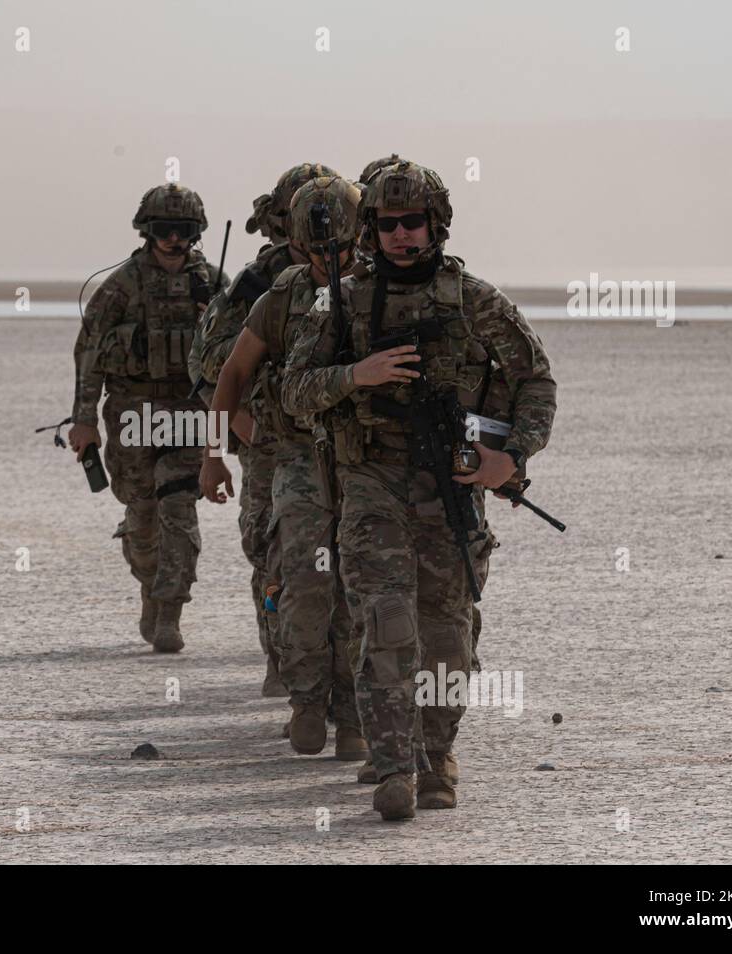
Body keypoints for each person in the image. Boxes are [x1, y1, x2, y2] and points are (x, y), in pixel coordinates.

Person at [281, 158, 557, 819]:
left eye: (414, 223)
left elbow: (536, 382)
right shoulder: (338, 301)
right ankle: (395, 766)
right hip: (371, 480)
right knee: (387, 623)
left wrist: (508, 457)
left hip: (450, 486)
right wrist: (357, 375)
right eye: (388, 224)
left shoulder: (474, 300)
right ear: (370, 230)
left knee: (447, 636)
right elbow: (293, 392)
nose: (402, 235)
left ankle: (437, 757)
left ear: (438, 225)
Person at [199, 176, 367, 762]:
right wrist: (214, 453)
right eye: (316, 251)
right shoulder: (280, 296)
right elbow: (230, 375)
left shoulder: (380, 290)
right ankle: (306, 698)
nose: (329, 262)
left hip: (367, 463)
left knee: (361, 589)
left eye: (341, 251)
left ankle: (353, 714)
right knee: (300, 582)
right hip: (297, 459)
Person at [186, 163, 336, 694]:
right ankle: (283, 657)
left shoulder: (360, 273)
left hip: (338, 444)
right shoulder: (261, 283)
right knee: (270, 545)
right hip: (269, 439)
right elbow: (209, 368)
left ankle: (331, 685)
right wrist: (227, 438)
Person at [69, 183, 226, 653]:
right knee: (142, 515)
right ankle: (148, 584)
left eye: (183, 230)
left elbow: (240, 352)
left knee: (179, 506)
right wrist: (84, 419)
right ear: (146, 231)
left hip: (188, 409)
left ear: (196, 232)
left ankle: (170, 610)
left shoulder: (215, 285)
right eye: (164, 230)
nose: (174, 240)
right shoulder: (121, 286)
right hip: (132, 412)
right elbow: (89, 354)